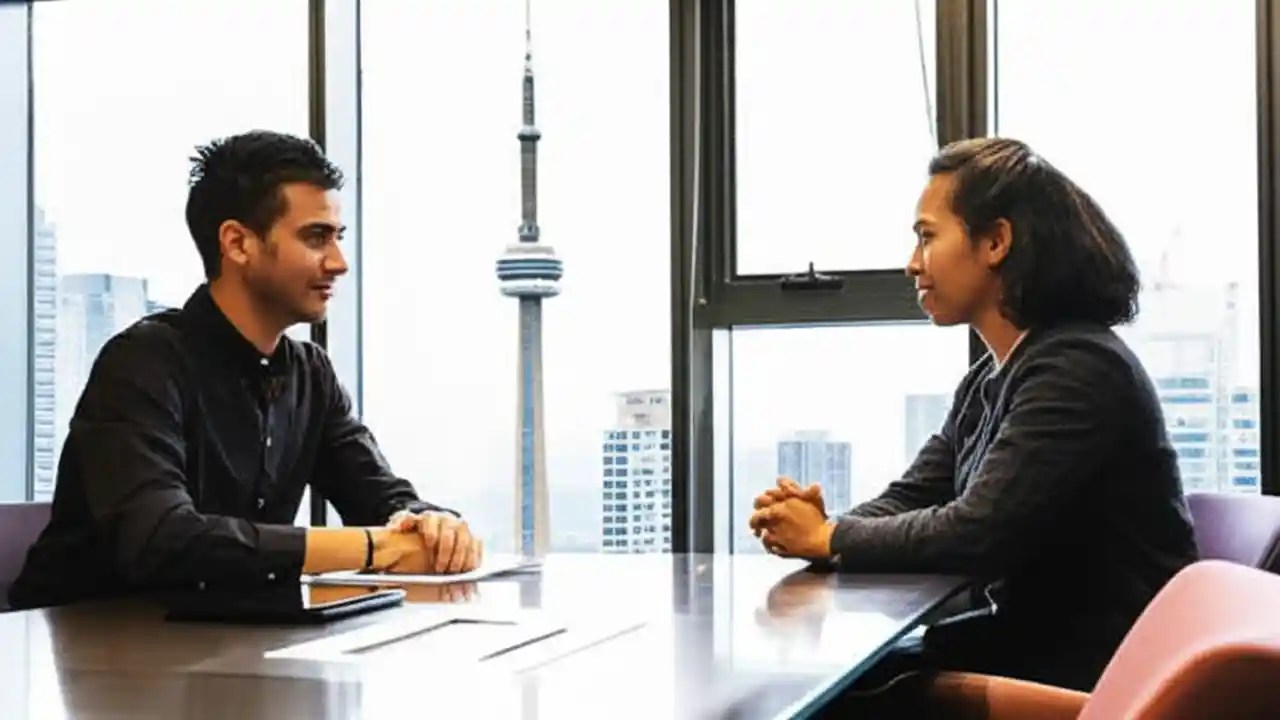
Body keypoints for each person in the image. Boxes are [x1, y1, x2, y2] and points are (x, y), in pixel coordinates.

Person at [748, 137, 1199, 694]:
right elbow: (917, 495)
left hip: (1105, 670)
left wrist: (831, 536)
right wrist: (822, 525)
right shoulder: (992, 377)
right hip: (1040, 642)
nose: (912, 263)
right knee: (846, 681)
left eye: (927, 237)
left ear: (996, 241)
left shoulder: (1078, 368)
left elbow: (976, 532)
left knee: (853, 693)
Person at [9, 130, 482, 610]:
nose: (339, 263)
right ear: (237, 243)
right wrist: (372, 546)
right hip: (80, 655)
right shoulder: (141, 363)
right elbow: (161, 539)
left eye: (338, 237)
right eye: (316, 237)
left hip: (220, 647)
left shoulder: (310, 374)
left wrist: (429, 524)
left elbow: (381, 496)